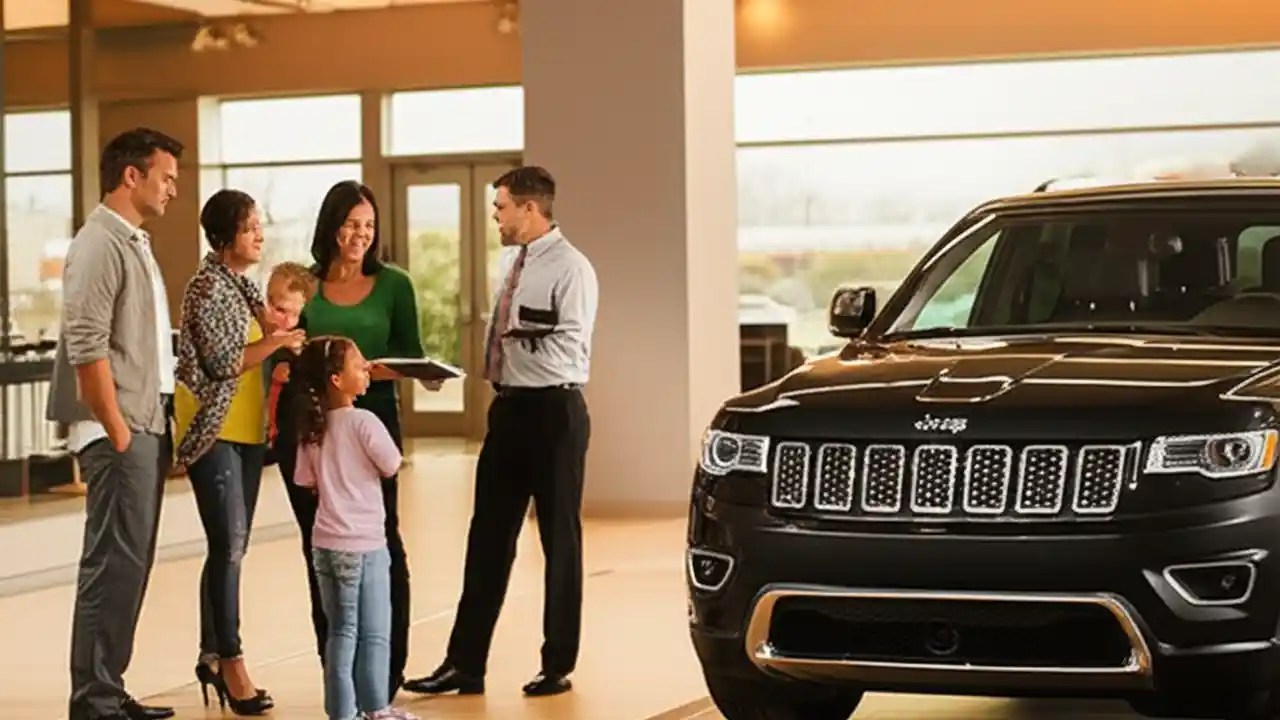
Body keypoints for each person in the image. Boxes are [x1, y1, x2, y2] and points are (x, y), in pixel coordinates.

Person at [404, 166, 598, 698]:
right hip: (508, 411)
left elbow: (573, 348)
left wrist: (518, 338)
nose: (496, 216)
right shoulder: (513, 265)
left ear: (530, 209)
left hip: (554, 414)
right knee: (487, 538)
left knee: (560, 540)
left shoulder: (572, 269)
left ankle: (558, 663)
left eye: (502, 207)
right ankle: (464, 664)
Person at [273, 180, 433, 700]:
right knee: (320, 546)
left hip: (373, 425)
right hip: (313, 430)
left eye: (368, 226)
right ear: (330, 227)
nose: (359, 235)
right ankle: (335, 669)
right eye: (350, 224)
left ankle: (385, 674)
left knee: (383, 543)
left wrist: (370, 371)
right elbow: (286, 350)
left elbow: (411, 354)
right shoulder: (306, 285)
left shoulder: (394, 285)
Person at [46, 127, 183, 720]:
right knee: (111, 564)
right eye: (167, 176)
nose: (173, 188)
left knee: (130, 564)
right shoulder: (99, 243)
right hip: (119, 429)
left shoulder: (134, 241)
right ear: (133, 176)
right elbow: (86, 346)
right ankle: (94, 700)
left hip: (144, 422)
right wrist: (120, 431)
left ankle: (108, 687)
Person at [174, 189, 305, 715]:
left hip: (248, 435)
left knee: (229, 548)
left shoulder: (242, 286)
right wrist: (278, 341)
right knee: (228, 548)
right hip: (216, 434)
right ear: (227, 235)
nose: (260, 235)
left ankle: (211, 654)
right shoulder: (208, 288)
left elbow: (269, 334)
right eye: (251, 227)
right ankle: (231, 661)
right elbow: (228, 362)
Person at [292, 336, 420, 720]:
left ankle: (342, 714)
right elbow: (391, 463)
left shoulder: (312, 428)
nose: (367, 369)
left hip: (325, 545)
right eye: (359, 364)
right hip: (365, 544)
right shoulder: (364, 421)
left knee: (340, 632)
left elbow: (304, 479)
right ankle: (376, 708)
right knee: (374, 632)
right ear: (336, 378)